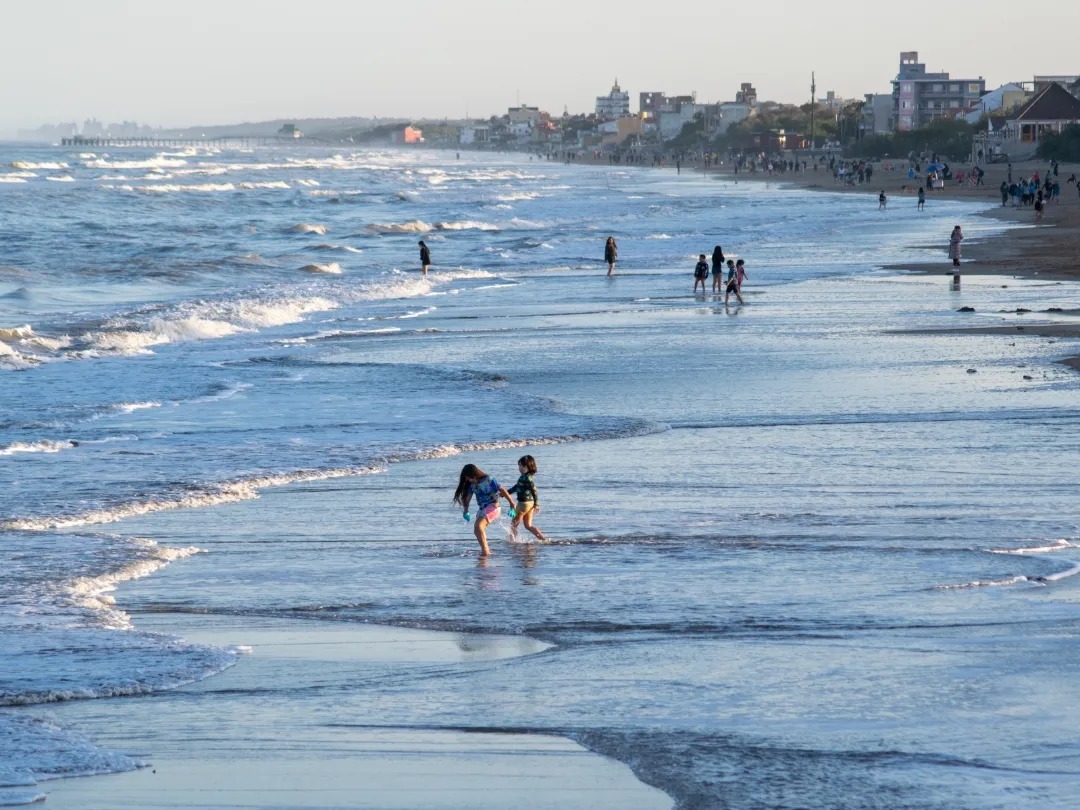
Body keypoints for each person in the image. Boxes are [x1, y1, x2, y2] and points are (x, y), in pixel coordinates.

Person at [453, 463, 516, 556]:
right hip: (482, 509)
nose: (468, 480)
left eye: (469, 478)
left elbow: (502, 490)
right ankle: (485, 550)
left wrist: (512, 503)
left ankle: (486, 551)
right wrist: (466, 511)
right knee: (477, 529)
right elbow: (467, 499)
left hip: (493, 507)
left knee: (479, 526)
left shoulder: (489, 480)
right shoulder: (472, 485)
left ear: (474, 475)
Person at [508, 455, 548, 543]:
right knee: (528, 525)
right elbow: (516, 487)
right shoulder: (523, 477)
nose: (520, 468)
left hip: (524, 504)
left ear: (529, 467)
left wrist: (537, 504)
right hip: (530, 504)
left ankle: (513, 541)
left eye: (523, 466)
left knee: (514, 524)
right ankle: (543, 539)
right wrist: (506, 493)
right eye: (519, 466)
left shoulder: (527, 478)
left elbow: (534, 490)